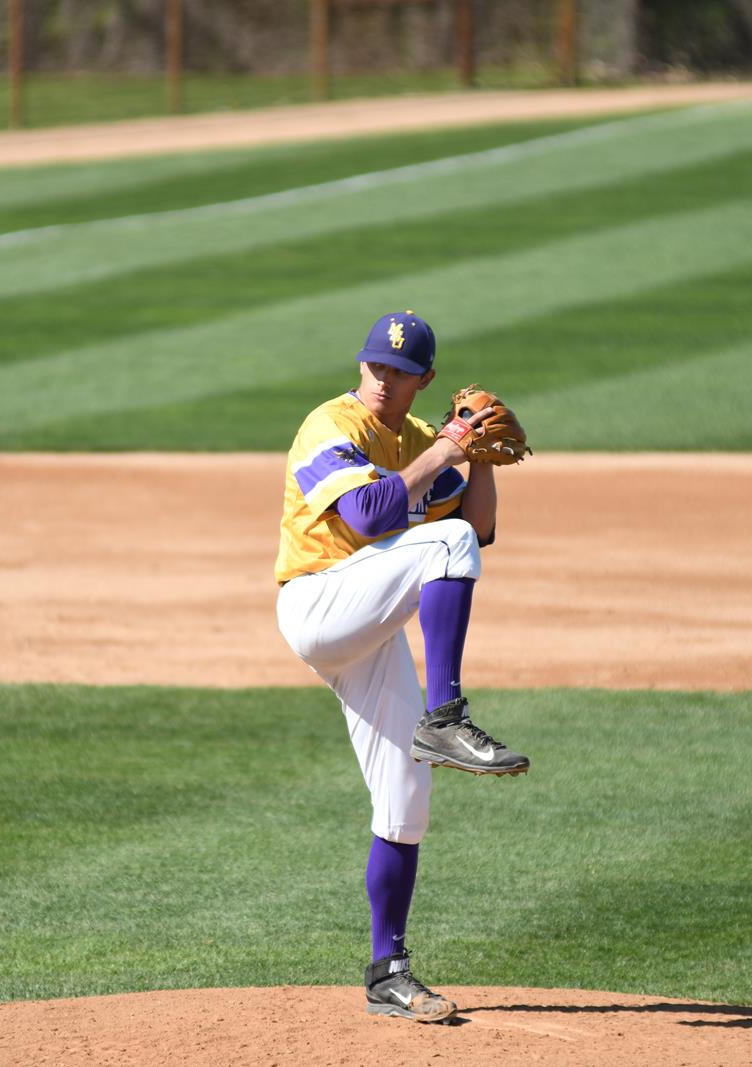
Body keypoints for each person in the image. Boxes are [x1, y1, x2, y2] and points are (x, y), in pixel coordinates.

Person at [274, 310, 528, 1024]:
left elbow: (479, 527)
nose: (384, 382)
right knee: (440, 544)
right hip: (319, 604)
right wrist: (446, 448)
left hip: (369, 624)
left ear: (426, 380)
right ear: (361, 368)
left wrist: (476, 453)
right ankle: (447, 718)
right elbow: (368, 513)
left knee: (406, 802)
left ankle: (389, 970)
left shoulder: (418, 438)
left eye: (399, 372)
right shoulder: (331, 425)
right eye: (374, 368)